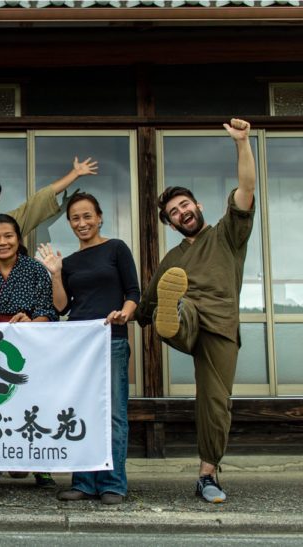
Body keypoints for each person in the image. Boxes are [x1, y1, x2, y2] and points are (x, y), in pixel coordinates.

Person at [136, 118, 256, 503]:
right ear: (170, 224)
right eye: (173, 211)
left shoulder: (227, 234)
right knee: (172, 303)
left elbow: (247, 189)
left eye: (184, 205)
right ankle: (176, 315)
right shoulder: (173, 258)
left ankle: (208, 474)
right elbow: (143, 307)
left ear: (197, 205)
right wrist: (124, 314)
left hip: (221, 328)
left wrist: (242, 143)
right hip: (188, 322)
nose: (181, 212)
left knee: (215, 401)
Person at [37, 192, 140, 505]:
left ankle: (113, 483)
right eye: (75, 219)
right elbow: (62, 306)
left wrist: (125, 312)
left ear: (99, 217)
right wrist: (55, 273)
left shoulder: (116, 248)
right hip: (78, 344)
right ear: (69, 223)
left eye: (87, 216)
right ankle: (83, 482)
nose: (82, 223)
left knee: (113, 415)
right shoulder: (69, 262)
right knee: (81, 413)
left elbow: (133, 292)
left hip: (111, 338)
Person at [0, 214, 59, 497]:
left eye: (8, 236)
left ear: (18, 238)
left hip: (29, 343)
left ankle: (41, 465)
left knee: (32, 404)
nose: (2, 242)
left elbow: (50, 312)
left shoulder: (34, 269)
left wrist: (31, 323)